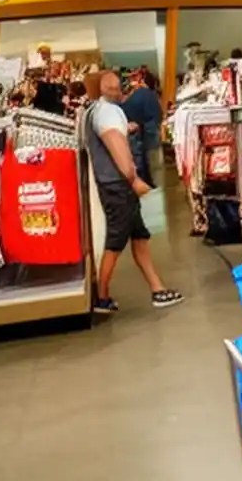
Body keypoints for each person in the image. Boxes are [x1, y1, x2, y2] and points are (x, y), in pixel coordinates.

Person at [84, 71, 183, 312]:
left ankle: (157, 289)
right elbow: (117, 149)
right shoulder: (107, 112)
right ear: (107, 89)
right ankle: (102, 297)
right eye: (115, 88)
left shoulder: (94, 112)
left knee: (139, 236)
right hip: (119, 186)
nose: (120, 92)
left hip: (115, 184)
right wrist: (133, 178)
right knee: (116, 241)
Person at [122, 72, 163, 188]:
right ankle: (156, 187)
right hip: (151, 128)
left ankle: (151, 186)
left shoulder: (139, 95)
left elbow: (126, 110)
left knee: (147, 162)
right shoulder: (148, 94)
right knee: (153, 162)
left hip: (145, 131)